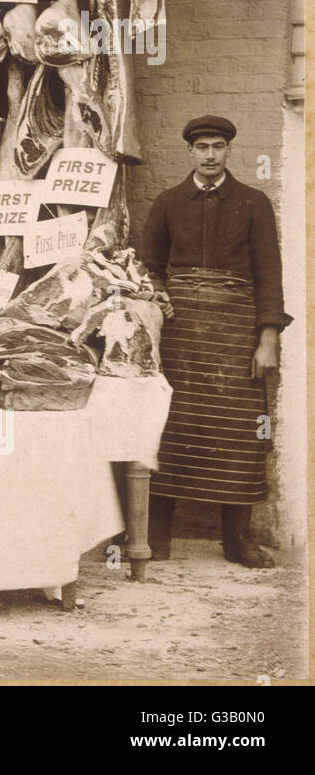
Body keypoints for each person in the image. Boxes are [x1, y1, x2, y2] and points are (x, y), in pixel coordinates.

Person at [139, 115, 290, 567]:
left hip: (235, 333)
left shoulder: (253, 202)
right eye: (201, 147)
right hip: (179, 335)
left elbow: (269, 273)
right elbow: (148, 266)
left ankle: (237, 542)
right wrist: (159, 296)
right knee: (171, 427)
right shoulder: (167, 203)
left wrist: (267, 340)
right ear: (189, 152)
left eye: (217, 146)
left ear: (228, 151)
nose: (209, 155)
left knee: (240, 433)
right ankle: (157, 537)